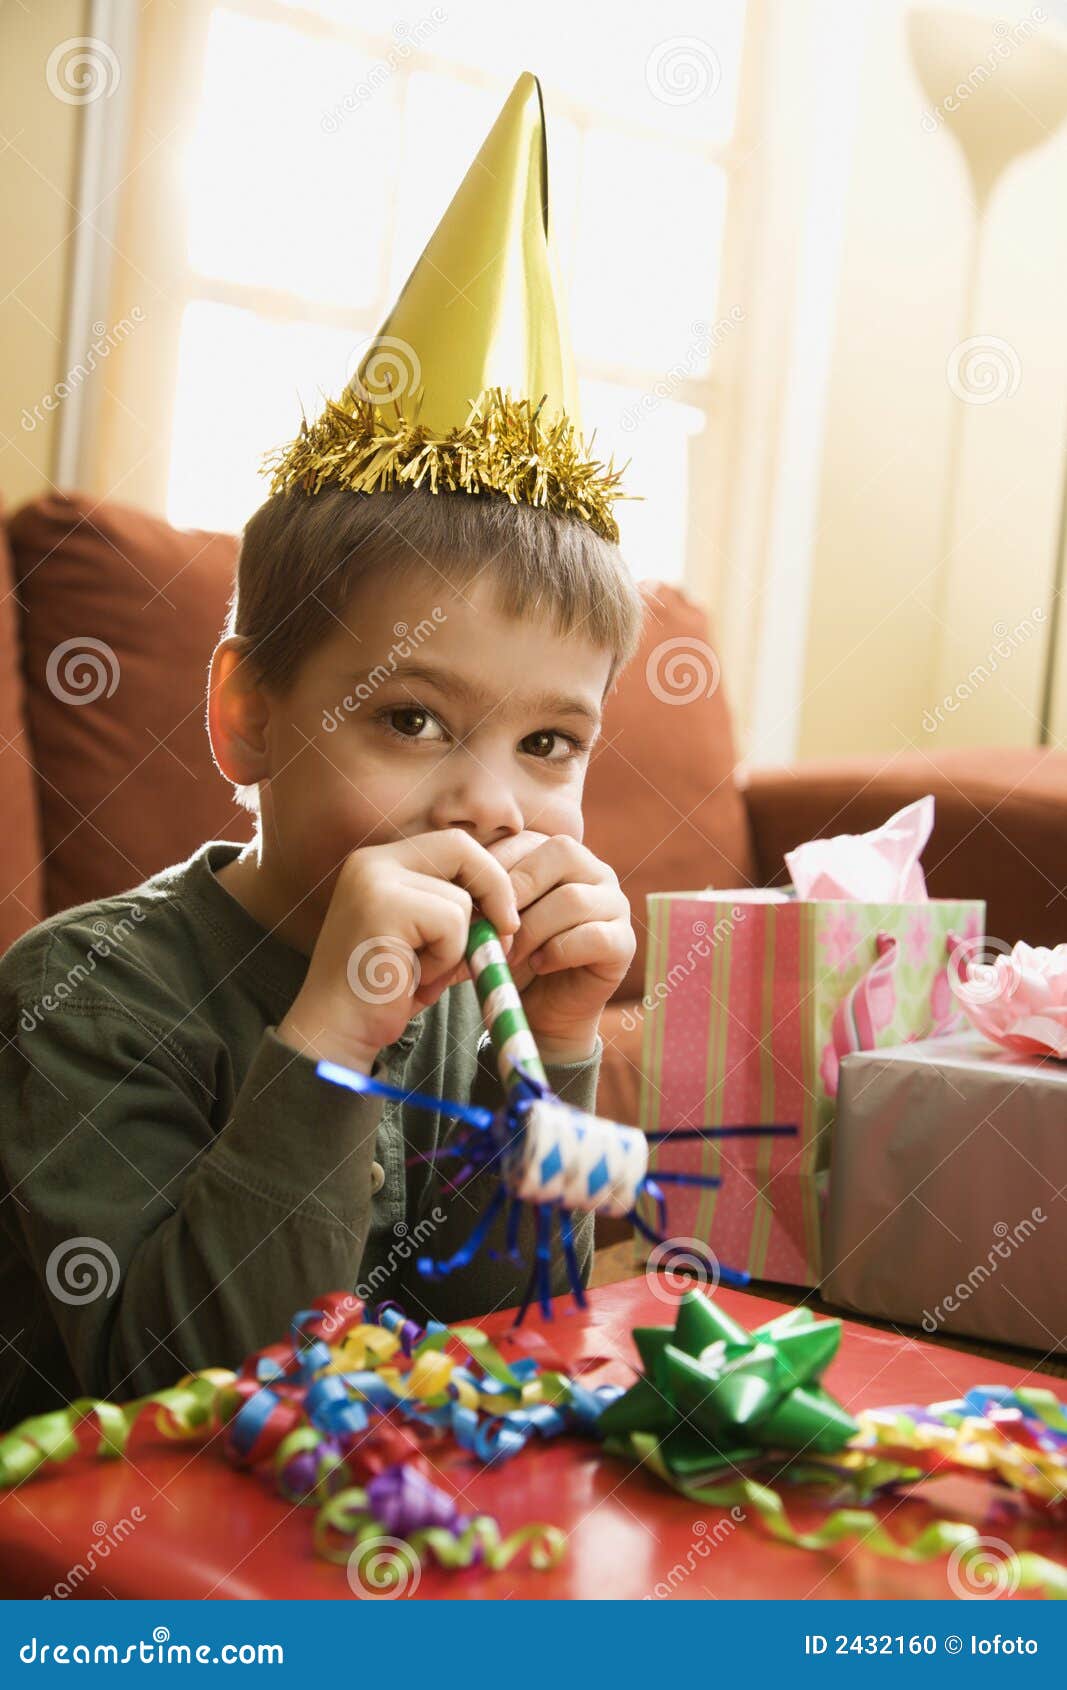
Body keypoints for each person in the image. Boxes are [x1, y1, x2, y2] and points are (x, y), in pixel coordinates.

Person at [0, 73, 644, 1422]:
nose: (485, 801)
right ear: (246, 714)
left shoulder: (472, 996)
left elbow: (512, 1335)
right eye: (412, 718)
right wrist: (335, 1034)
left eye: (547, 740)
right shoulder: (85, 1000)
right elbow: (187, 1401)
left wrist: (566, 1048)